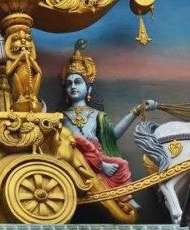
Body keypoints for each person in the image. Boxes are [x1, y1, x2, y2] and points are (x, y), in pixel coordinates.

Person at [60, 40, 156, 206]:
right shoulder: (60, 116)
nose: (73, 86)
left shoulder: (98, 115)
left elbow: (112, 136)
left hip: (96, 153)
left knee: (122, 164)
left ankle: (126, 197)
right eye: (69, 83)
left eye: (78, 82)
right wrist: (101, 165)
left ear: (88, 88)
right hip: (75, 155)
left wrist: (136, 111)